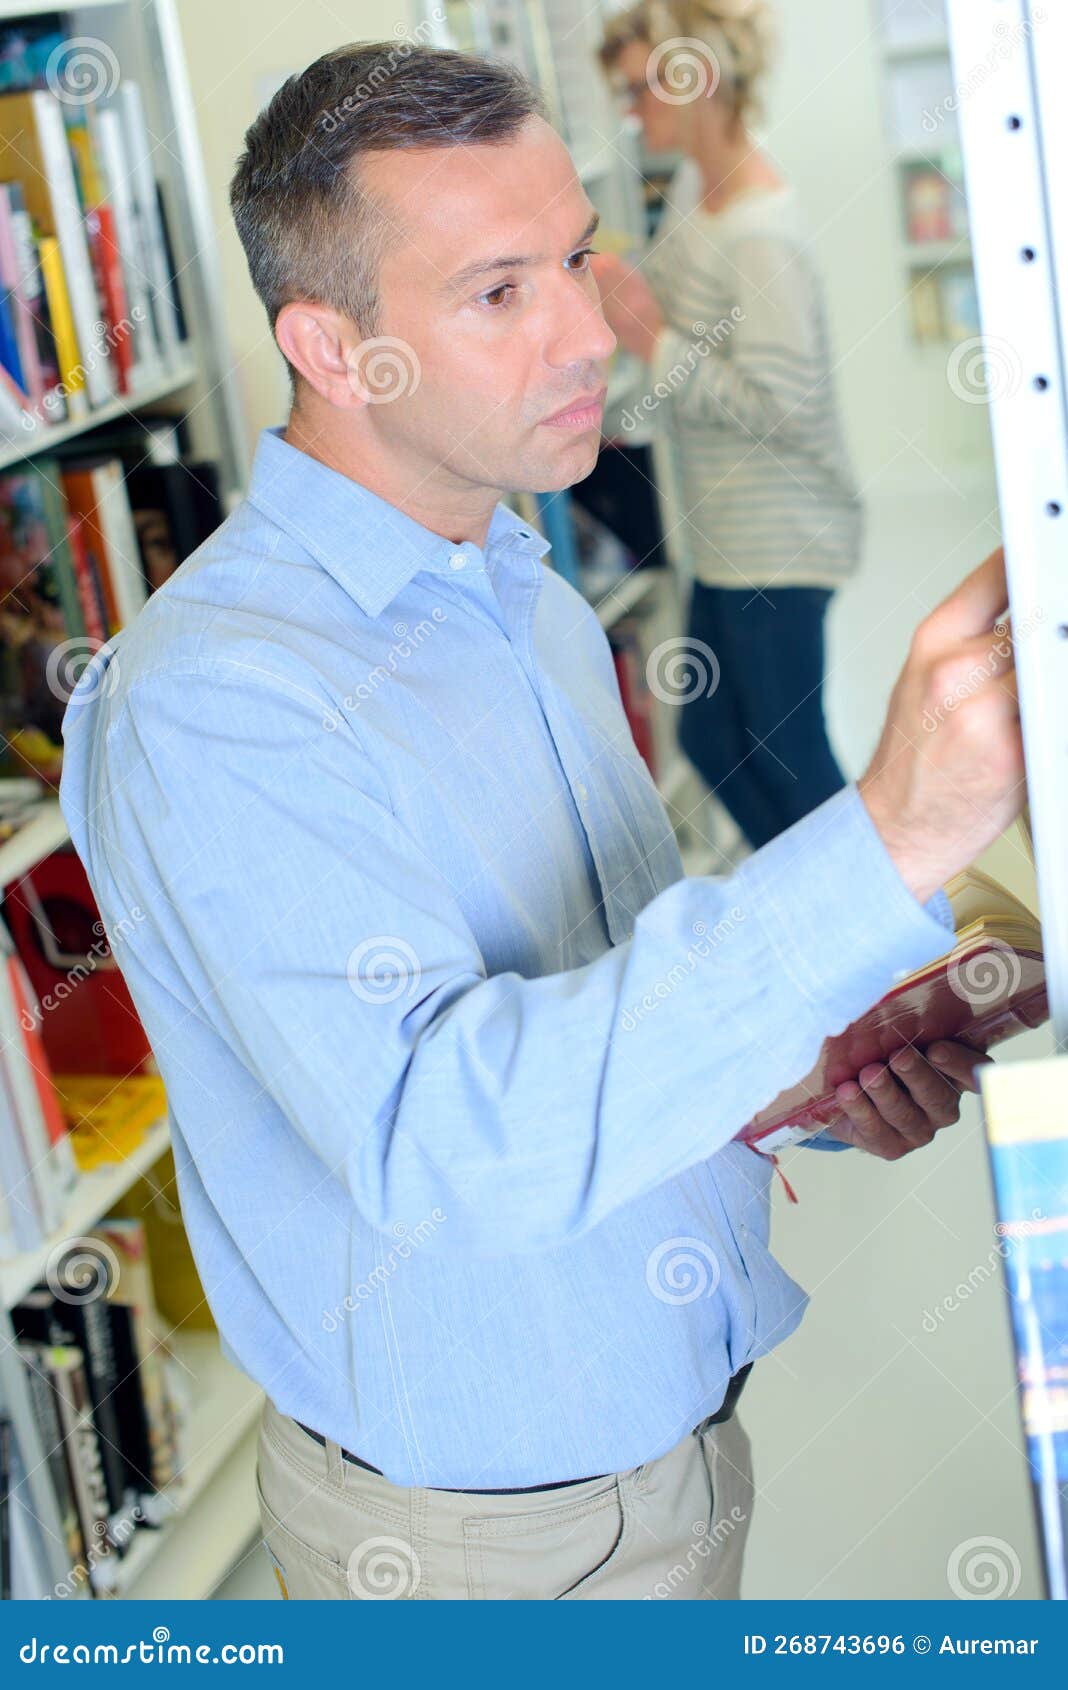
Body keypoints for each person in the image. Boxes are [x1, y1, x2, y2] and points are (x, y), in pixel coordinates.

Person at [58, 43, 1023, 1601]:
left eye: (575, 254)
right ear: (332, 344)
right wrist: (891, 832)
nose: (590, 328)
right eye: (499, 291)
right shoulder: (215, 700)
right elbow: (450, 1141)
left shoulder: (523, 590)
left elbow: (587, 1017)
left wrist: (809, 1067)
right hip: (483, 1556)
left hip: (682, 1459)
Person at [595, 0, 860, 849]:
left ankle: (900, 949)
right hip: (725, 535)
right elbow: (682, 304)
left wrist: (651, 336)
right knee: (712, 740)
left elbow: (784, 406)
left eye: (642, 88)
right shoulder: (690, 192)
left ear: (696, 79)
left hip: (778, 537)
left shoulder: (759, 233)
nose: (631, 110)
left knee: (790, 756)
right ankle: (817, 905)